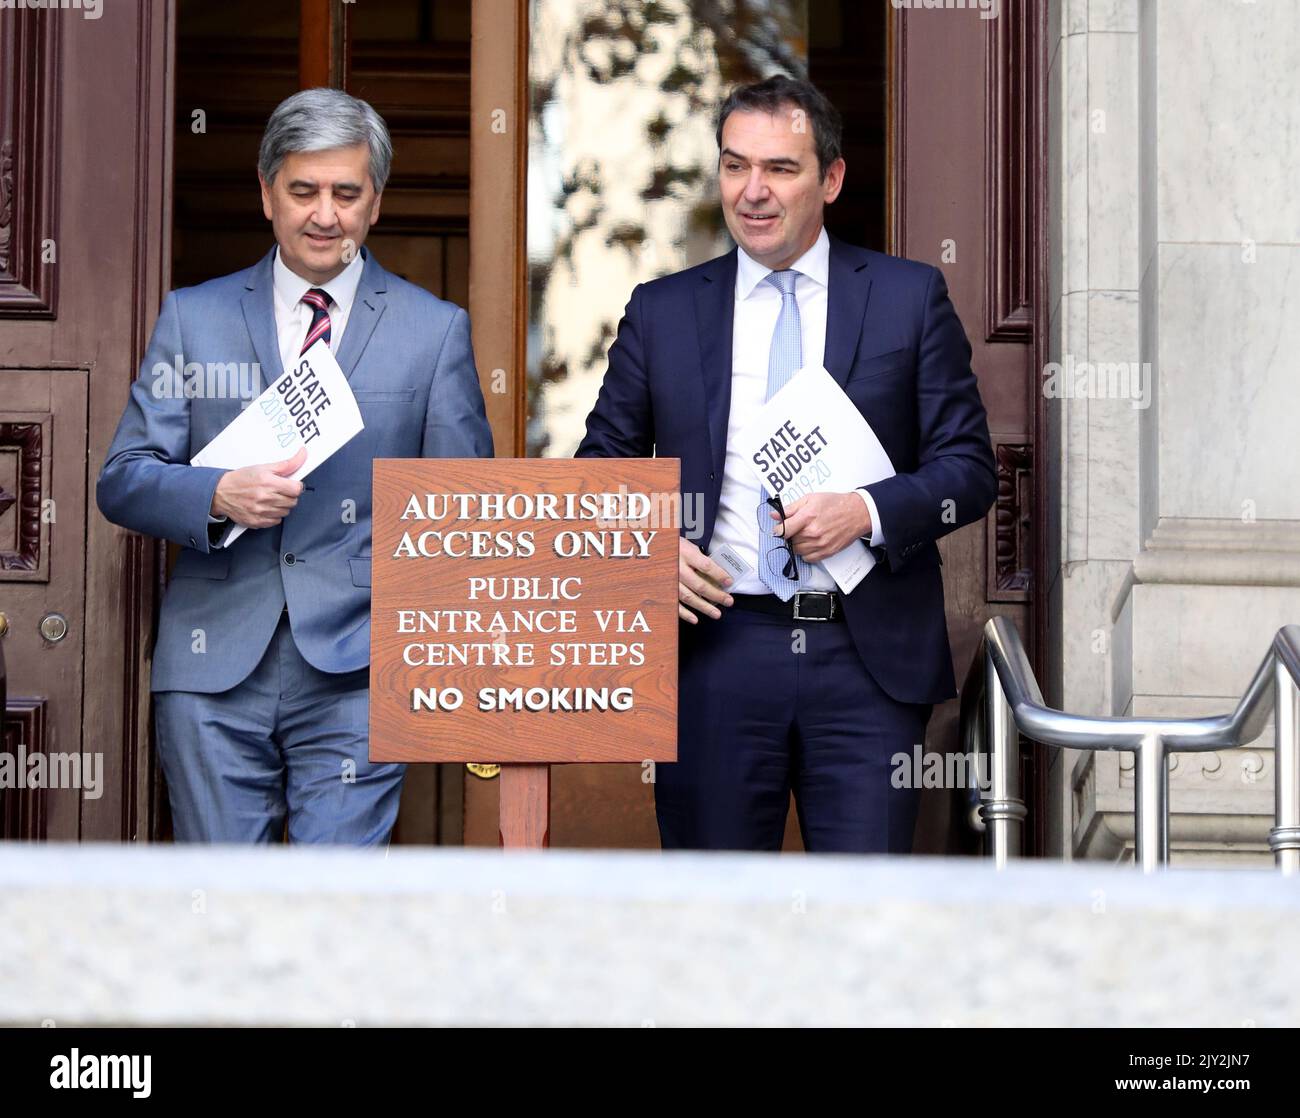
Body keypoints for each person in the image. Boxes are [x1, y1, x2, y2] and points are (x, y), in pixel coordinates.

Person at [577, 75, 996, 853]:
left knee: (859, 922)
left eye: (780, 169)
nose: (753, 192)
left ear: (831, 179)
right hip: (713, 650)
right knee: (719, 920)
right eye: (735, 167)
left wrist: (864, 512)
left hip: (865, 663)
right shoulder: (663, 311)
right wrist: (649, 552)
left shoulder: (909, 297)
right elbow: (601, 471)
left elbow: (968, 468)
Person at [97, 88, 493, 844]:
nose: (324, 214)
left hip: (361, 673)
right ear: (266, 193)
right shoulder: (194, 315)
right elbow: (124, 477)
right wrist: (217, 492)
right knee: (223, 910)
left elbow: (460, 512)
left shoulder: (434, 332)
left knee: (335, 914)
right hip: (213, 671)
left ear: (375, 203)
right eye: (303, 190)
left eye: (347, 193)